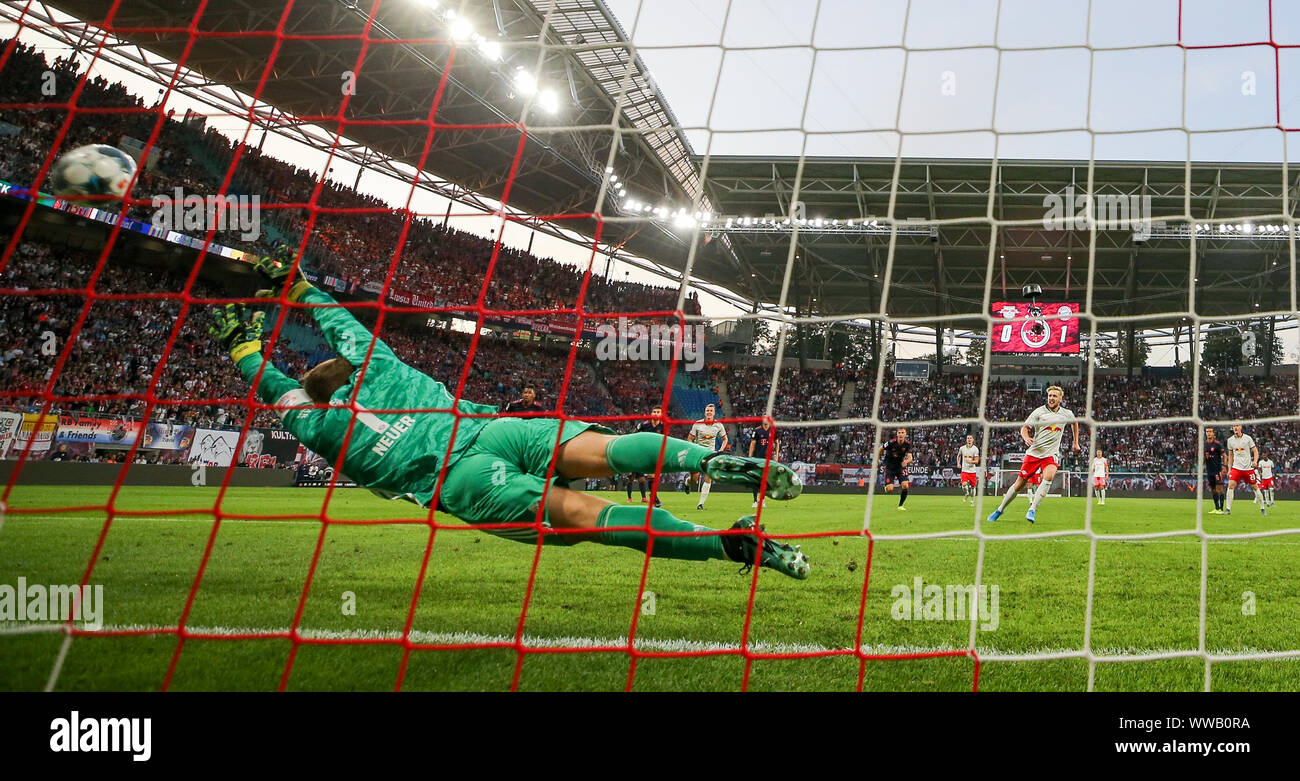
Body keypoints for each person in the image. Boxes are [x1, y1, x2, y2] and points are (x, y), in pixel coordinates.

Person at [209, 251, 810, 578]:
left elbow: (279, 392)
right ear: (347, 371)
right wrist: (300, 289)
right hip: (490, 429)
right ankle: (709, 461)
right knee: (609, 449)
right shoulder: (380, 369)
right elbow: (343, 326)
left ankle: (729, 545)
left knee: (590, 515)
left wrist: (245, 353)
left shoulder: (319, 428)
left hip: (460, 479)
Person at [987, 385, 1080, 524]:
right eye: (1050, 396)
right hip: (1034, 453)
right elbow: (1024, 428)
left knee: (1049, 476)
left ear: (1060, 399)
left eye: (1054, 396)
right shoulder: (1039, 412)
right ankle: (1000, 509)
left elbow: (1075, 423)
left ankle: (1032, 509)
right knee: (1019, 485)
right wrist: (1026, 437)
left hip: (1051, 454)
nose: (1051, 398)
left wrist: (1075, 442)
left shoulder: (1067, 413)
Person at [688, 404, 729, 510]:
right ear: (705, 412)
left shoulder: (718, 425)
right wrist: (693, 449)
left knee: (708, 477)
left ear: (714, 413)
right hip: (697, 453)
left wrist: (720, 450)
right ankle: (687, 483)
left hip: (710, 454)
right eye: (707, 410)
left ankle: (700, 504)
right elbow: (690, 439)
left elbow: (725, 439)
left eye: (711, 411)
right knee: (694, 479)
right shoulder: (697, 424)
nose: (709, 412)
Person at [626, 406, 665, 508]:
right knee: (633, 477)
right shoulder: (644, 425)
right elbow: (633, 436)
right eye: (654, 411)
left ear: (661, 414)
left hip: (655, 454)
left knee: (652, 477)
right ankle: (632, 497)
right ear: (651, 413)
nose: (656, 413)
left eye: (658, 412)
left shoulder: (663, 427)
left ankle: (653, 497)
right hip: (642, 453)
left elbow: (666, 440)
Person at [1223, 424, 1258, 516]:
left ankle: (1262, 506)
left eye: (1237, 426)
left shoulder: (1248, 438)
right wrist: (1229, 469)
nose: (1235, 427)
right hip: (1236, 467)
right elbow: (1230, 455)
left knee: (1255, 487)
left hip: (1247, 467)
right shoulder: (1230, 440)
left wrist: (1255, 461)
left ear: (1241, 427)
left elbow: (1255, 451)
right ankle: (1228, 509)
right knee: (1230, 485)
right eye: (1234, 426)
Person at [748, 418, 779, 509]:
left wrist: (776, 455)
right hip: (757, 458)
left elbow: (777, 442)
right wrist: (750, 457)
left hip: (768, 459)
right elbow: (752, 444)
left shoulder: (773, 430)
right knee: (755, 479)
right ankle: (755, 501)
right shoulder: (757, 430)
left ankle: (762, 500)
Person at [878, 428, 912, 510]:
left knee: (905, 485)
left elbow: (910, 458)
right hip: (890, 467)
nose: (901, 434)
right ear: (897, 434)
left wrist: (906, 461)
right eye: (899, 432)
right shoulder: (891, 443)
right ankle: (886, 487)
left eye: (902, 432)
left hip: (900, 466)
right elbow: (880, 449)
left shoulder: (907, 444)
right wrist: (878, 459)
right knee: (890, 489)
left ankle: (900, 506)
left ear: (905, 434)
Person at [1204, 427, 1227, 514]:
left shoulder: (1217, 444)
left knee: (1220, 489)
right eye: (1207, 431)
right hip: (1209, 470)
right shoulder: (1204, 444)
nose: (1208, 433)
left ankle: (1221, 509)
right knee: (1213, 489)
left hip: (1217, 470)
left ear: (1213, 433)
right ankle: (1216, 508)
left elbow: (1225, 456)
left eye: (1210, 431)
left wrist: (1225, 467)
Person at [957, 434, 980, 506]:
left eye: (970, 438)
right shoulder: (962, 448)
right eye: (968, 438)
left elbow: (976, 461)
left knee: (973, 487)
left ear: (973, 440)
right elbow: (959, 456)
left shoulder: (975, 449)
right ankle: (966, 493)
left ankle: (972, 501)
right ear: (966, 440)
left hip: (972, 471)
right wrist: (958, 463)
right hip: (964, 470)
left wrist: (971, 461)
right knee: (964, 485)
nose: (969, 439)